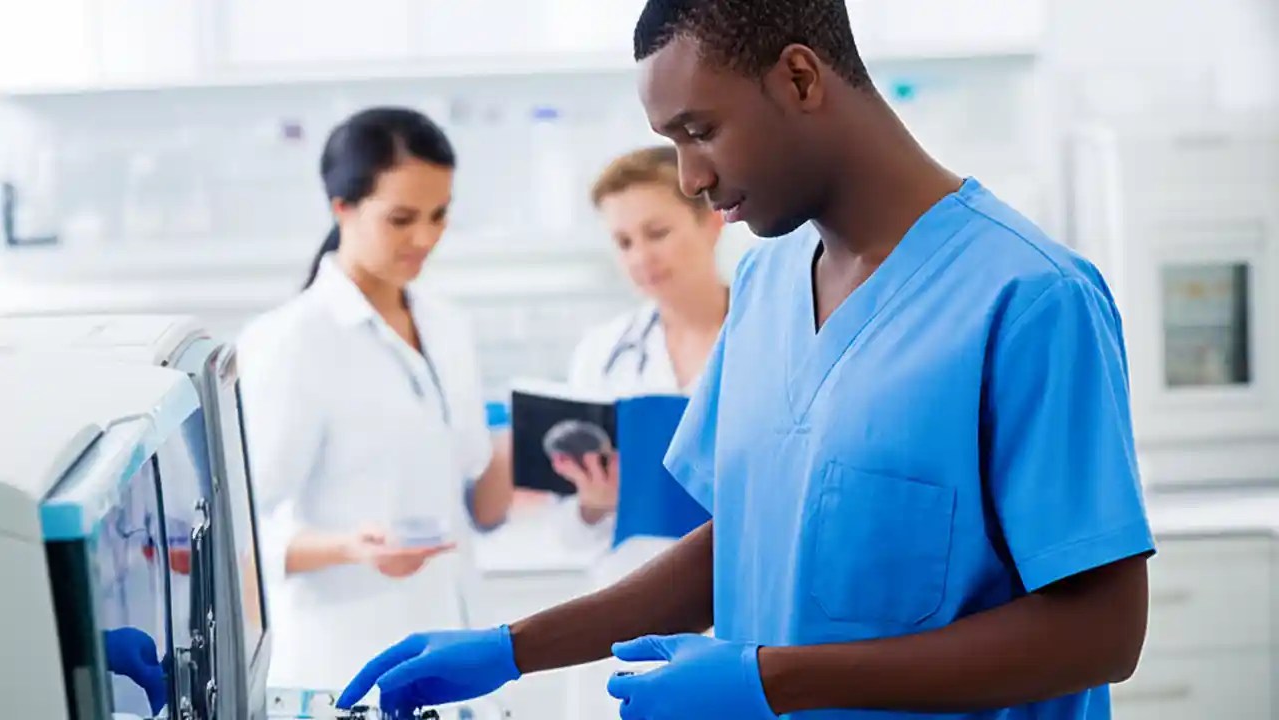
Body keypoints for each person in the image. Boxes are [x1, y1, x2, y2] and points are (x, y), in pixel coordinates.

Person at [337, 2, 1155, 718]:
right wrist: (513, 648)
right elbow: (747, 538)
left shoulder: (1030, 298)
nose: (691, 177)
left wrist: (773, 680)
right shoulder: (766, 282)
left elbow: (1101, 633)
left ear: (800, 79)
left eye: (700, 130)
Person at [236, 107, 514, 690]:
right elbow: (238, 527)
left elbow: (470, 496)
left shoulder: (448, 326)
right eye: (401, 218)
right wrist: (349, 547)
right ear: (342, 208)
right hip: (344, 665)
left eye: (439, 215)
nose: (426, 237)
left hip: (454, 651)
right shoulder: (290, 341)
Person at [548, 145, 729, 551]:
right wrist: (593, 504)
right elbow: (569, 533)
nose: (641, 257)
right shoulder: (602, 352)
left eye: (657, 233)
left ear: (712, 222)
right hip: (632, 597)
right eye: (624, 242)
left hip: (736, 596)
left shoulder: (774, 341)